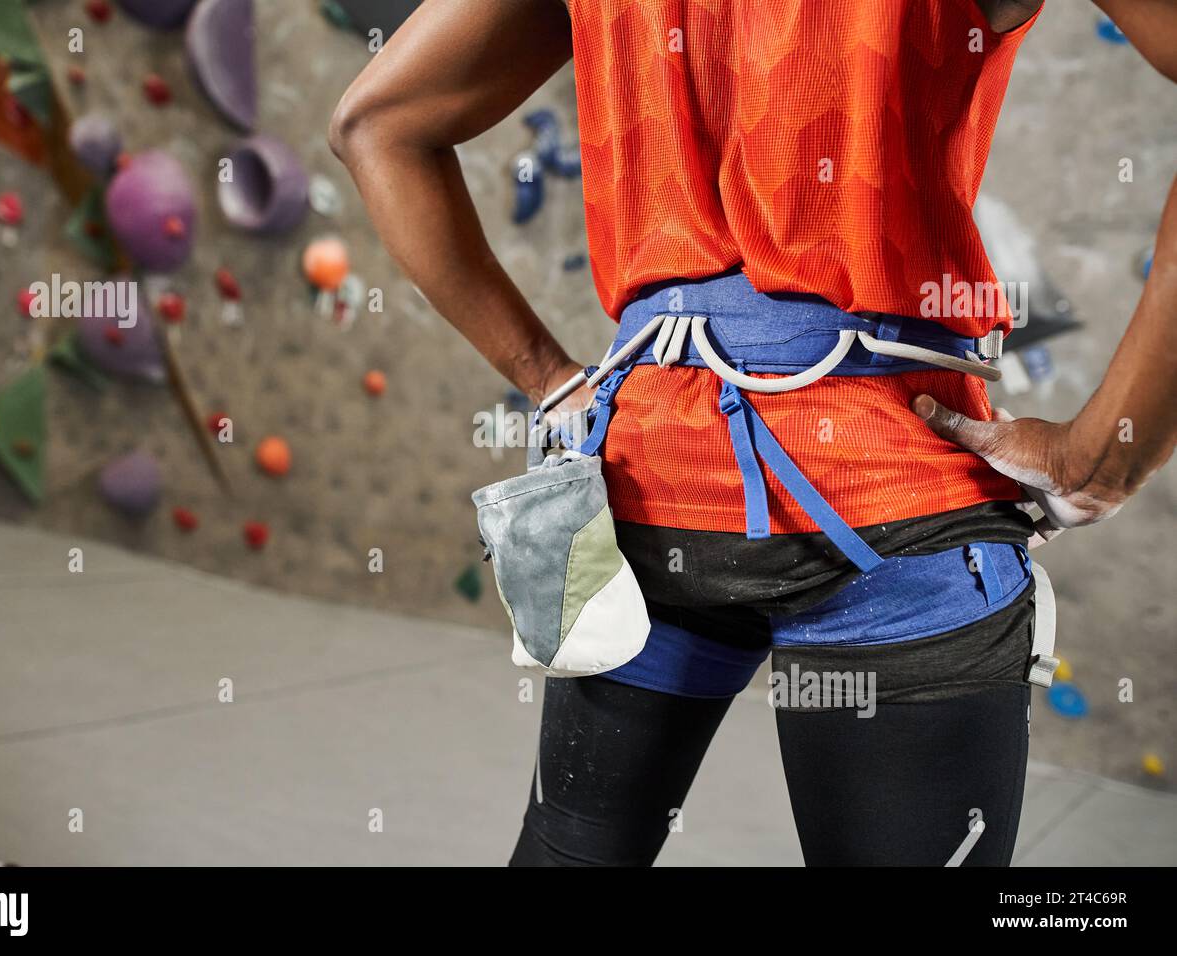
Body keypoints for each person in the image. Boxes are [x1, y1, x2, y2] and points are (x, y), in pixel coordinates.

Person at [330, 0, 1177, 865]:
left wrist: (550, 379)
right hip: (893, 505)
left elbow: (375, 125)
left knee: (572, 847)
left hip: (646, 498)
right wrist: (1104, 457)